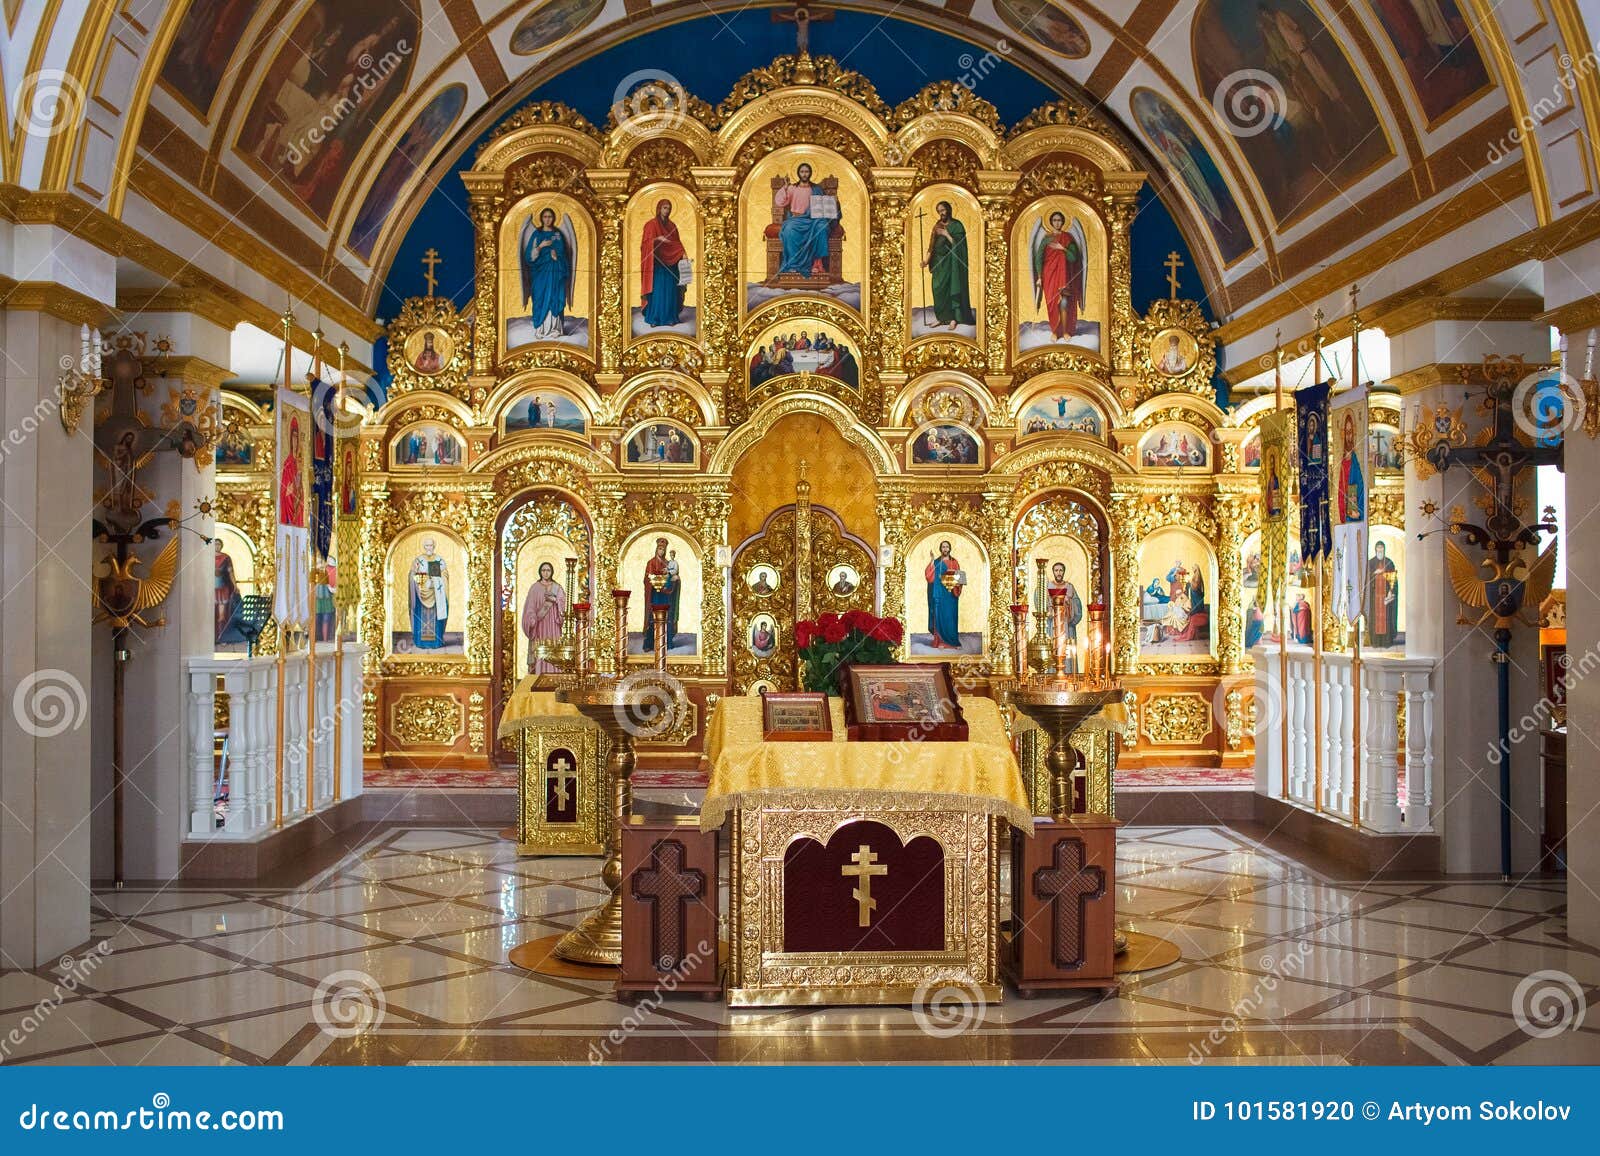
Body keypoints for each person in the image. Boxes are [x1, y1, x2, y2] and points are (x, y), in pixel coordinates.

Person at [771, 163, 835, 280]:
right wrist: (785, 187)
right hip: (796, 219)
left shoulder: (816, 189)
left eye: (806, 172)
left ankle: (817, 263)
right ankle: (793, 264)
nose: (804, 174)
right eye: (802, 172)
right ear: (798, 174)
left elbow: (824, 205)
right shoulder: (792, 188)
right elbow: (780, 202)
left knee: (822, 227)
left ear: (810, 173)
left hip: (813, 220)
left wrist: (833, 203)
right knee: (789, 229)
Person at [518, 207, 573, 341]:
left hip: (555, 272)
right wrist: (540, 246)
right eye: (545, 217)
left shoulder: (558, 234)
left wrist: (556, 257)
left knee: (554, 296)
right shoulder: (536, 234)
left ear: (553, 218)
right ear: (541, 218)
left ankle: (555, 329)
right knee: (539, 297)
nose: (547, 219)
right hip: (540, 273)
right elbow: (529, 257)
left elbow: (564, 255)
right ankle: (540, 329)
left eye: (550, 217)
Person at [1030, 210, 1085, 340]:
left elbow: (1073, 258)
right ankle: (1055, 331)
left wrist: (1063, 249)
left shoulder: (1068, 238)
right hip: (1049, 275)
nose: (1057, 223)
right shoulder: (1046, 238)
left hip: (1065, 275)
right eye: (1054, 220)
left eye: (1059, 220)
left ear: (1062, 222)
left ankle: (1065, 331)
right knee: (1052, 303)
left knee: (1064, 302)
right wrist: (1039, 276)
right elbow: (1038, 259)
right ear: (1051, 222)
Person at [923, 200, 975, 329]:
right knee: (938, 289)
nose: (941, 213)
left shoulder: (957, 226)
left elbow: (959, 245)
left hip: (952, 264)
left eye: (943, 210)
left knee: (951, 288)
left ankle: (954, 319)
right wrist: (926, 260)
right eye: (939, 211)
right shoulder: (937, 226)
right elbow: (931, 246)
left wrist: (946, 234)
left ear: (949, 210)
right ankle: (941, 318)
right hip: (938, 263)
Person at [640, 198, 687, 328]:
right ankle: (654, 318)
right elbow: (644, 245)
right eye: (665, 208)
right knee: (658, 292)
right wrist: (656, 239)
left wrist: (683, 253)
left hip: (671, 265)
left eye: (669, 208)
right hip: (657, 265)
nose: (667, 211)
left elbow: (676, 243)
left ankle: (671, 318)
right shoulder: (651, 225)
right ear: (659, 208)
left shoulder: (672, 226)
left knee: (671, 291)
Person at [522, 560, 566, 674]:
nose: (546, 573)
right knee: (541, 649)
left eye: (548, 570)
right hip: (540, 625)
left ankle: (555, 674)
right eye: (543, 570)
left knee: (554, 648)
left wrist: (556, 601)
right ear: (540, 572)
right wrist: (531, 619)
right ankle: (539, 674)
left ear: (552, 572)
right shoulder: (534, 588)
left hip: (553, 624)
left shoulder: (557, 588)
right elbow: (529, 607)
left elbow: (563, 604)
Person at [408, 537, 450, 649]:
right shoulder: (418, 560)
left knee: (435, 617)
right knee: (421, 617)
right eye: (426, 545)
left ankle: (436, 641)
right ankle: (420, 641)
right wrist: (418, 581)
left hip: (436, 594)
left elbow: (445, 576)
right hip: (420, 594)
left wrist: (435, 582)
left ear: (434, 546)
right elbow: (412, 575)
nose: (429, 548)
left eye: (430, 545)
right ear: (424, 546)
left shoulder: (439, 560)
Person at [642, 537, 679, 652]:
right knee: (653, 617)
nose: (661, 551)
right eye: (660, 549)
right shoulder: (651, 562)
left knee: (666, 617)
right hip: (655, 594)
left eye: (663, 549)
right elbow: (647, 578)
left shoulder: (668, 563)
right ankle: (651, 643)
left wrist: (675, 580)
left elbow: (673, 575)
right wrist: (653, 580)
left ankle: (667, 642)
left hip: (666, 595)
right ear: (656, 549)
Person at [924, 540, 963, 649]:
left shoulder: (954, 562)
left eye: (947, 547)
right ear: (940, 549)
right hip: (939, 594)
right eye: (943, 547)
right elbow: (929, 577)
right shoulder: (936, 562)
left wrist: (956, 582)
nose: (945, 549)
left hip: (951, 595)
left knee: (950, 618)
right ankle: (940, 641)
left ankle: (953, 642)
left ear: (949, 549)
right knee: (939, 617)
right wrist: (931, 559)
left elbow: (960, 578)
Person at [1049, 562, 1084, 672]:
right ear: (1053, 572)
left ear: (1064, 572)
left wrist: (1069, 604)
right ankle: (1052, 675)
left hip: (1067, 625)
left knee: (1068, 651)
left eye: (1061, 570)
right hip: (1053, 626)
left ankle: (1069, 674)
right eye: (1056, 570)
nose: (1058, 573)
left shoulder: (1069, 587)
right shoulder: (1048, 586)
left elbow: (1077, 603)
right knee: (1053, 649)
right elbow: (1042, 603)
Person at [1366, 540, 1400, 647]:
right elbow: (1366, 579)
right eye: (1378, 548)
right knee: (1375, 618)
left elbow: (1393, 579)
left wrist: (1391, 591)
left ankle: (1386, 642)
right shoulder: (1371, 563)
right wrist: (1373, 574)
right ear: (1375, 549)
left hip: (1386, 597)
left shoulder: (1389, 562)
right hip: (1374, 597)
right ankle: (1375, 642)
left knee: (1386, 618)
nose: (1380, 550)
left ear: (1384, 549)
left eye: (1381, 548)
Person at [1338, 411, 1365, 522]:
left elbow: (1361, 487)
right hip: (1344, 511)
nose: (1348, 436)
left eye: (1351, 432)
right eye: (1346, 432)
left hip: (1355, 511)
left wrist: (1359, 512)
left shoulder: (1357, 459)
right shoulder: (1340, 459)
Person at [280, 416, 305, 526]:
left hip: (299, 500)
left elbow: (301, 486)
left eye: (297, 437)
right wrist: (288, 492)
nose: (295, 440)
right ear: (290, 438)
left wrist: (299, 472)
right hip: (290, 501)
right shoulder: (288, 463)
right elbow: (284, 489)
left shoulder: (300, 460)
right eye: (293, 437)